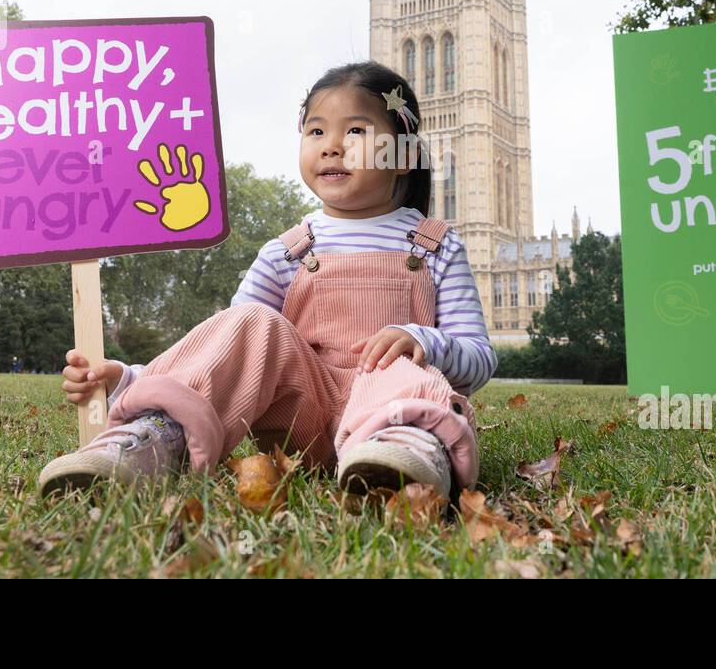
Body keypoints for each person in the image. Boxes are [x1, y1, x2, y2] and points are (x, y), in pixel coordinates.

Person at [37, 60, 496, 501]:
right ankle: (157, 436)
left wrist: (423, 342)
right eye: (316, 131)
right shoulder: (287, 250)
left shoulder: (436, 247)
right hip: (300, 421)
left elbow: (477, 359)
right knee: (252, 319)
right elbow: (227, 350)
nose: (331, 145)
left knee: (396, 365)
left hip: (390, 413)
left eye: (355, 130)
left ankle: (407, 453)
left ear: (405, 157)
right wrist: (127, 380)